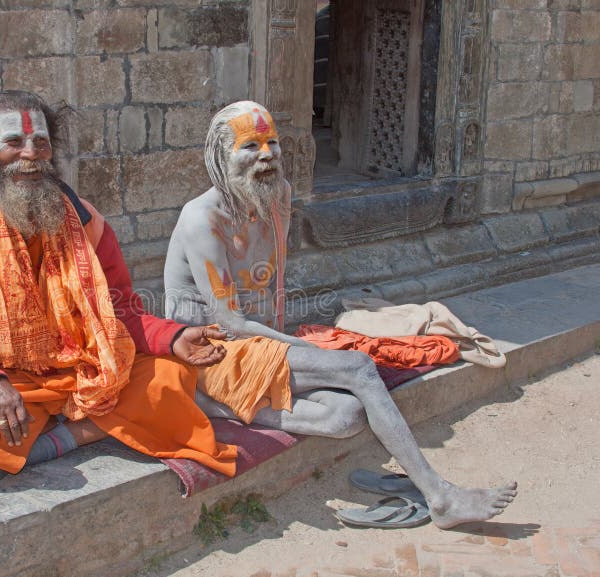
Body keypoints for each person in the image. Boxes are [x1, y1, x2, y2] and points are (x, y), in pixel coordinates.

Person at [163, 100, 517, 529]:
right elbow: (231, 323)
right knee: (358, 368)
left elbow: (274, 291)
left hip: (254, 346)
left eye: (272, 142)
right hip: (209, 353)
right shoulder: (203, 219)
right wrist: (304, 351)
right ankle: (440, 497)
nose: (267, 154)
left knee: (347, 416)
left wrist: (289, 354)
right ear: (222, 156)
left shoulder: (277, 198)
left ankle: (222, 407)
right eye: (250, 145)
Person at [0, 90, 238, 487]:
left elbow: (121, 312)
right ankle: (90, 426)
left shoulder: (87, 221)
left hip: (86, 371)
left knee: (169, 375)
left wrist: (174, 337)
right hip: (9, 383)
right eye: (13, 142)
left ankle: (54, 439)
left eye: (40, 142)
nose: (30, 155)